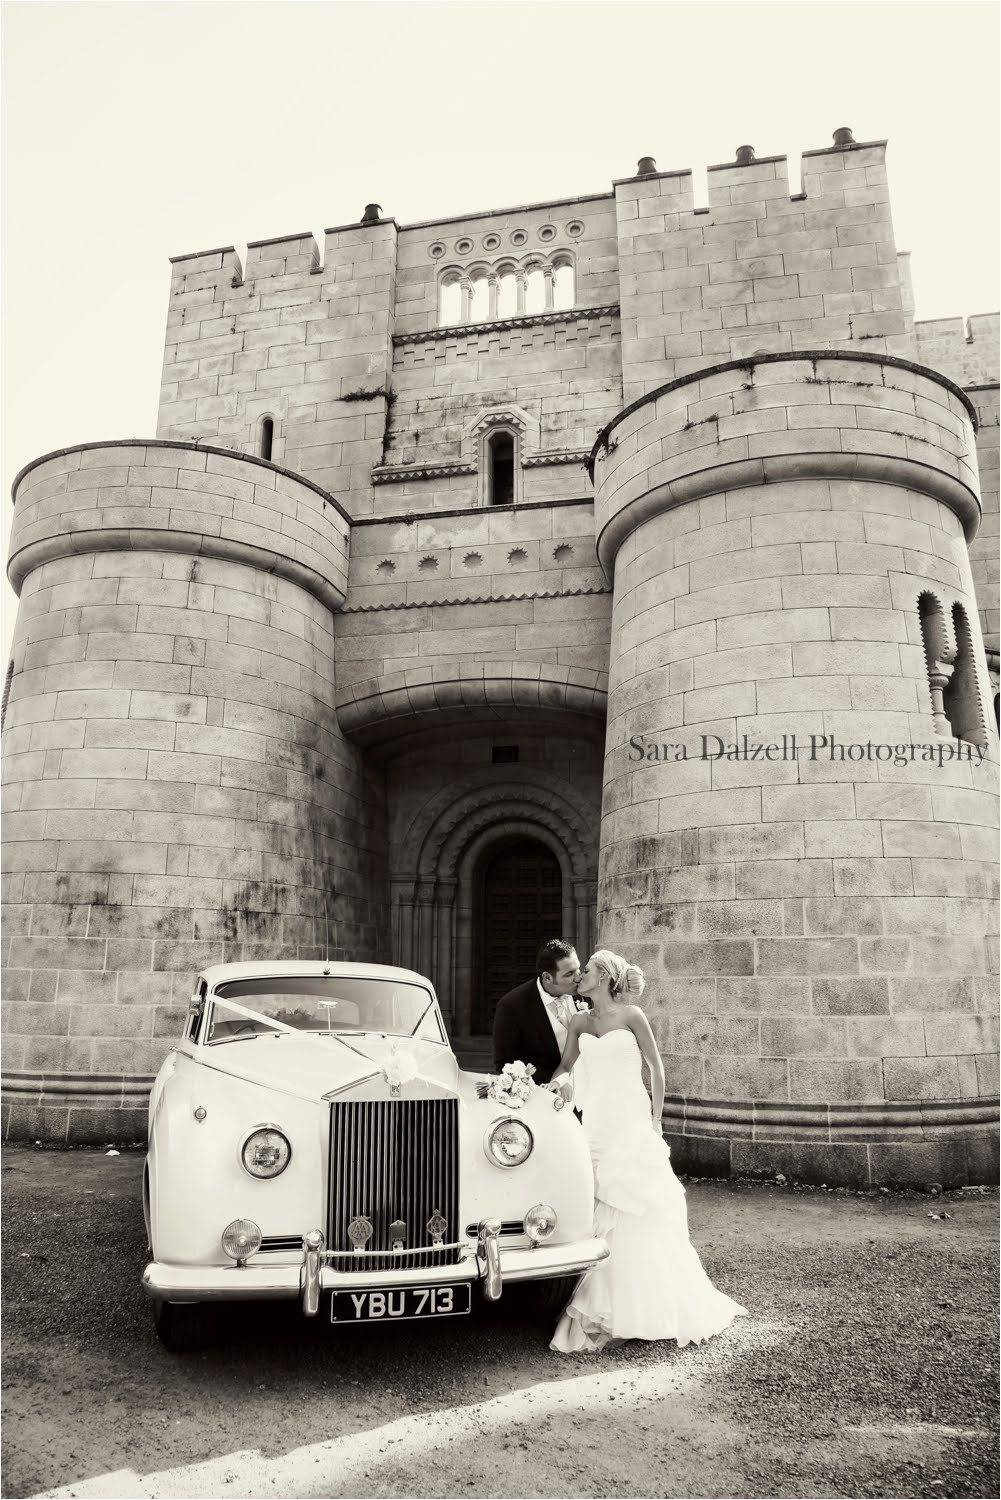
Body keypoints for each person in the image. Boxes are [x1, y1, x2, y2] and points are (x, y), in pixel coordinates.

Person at [547, 949, 747, 1353]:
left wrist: (656, 1120)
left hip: (631, 1119)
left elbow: (655, 1067)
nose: (579, 976)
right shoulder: (579, 1022)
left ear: (603, 977)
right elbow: (565, 1065)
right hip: (597, 1124)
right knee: (601, 1204)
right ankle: (607, 1305)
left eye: (585, 971)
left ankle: (648, 1306)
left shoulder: (632, 1016)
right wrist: (559, 1083)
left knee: (637, 1205)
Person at [492, 939, 581, 1085]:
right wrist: (558, 1084)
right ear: (547, 977)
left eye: (578, 968)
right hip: (547, 1095)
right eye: (569, 974)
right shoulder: (511, 1006)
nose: (578, 977)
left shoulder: (586, 992)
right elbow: (505, 1063)